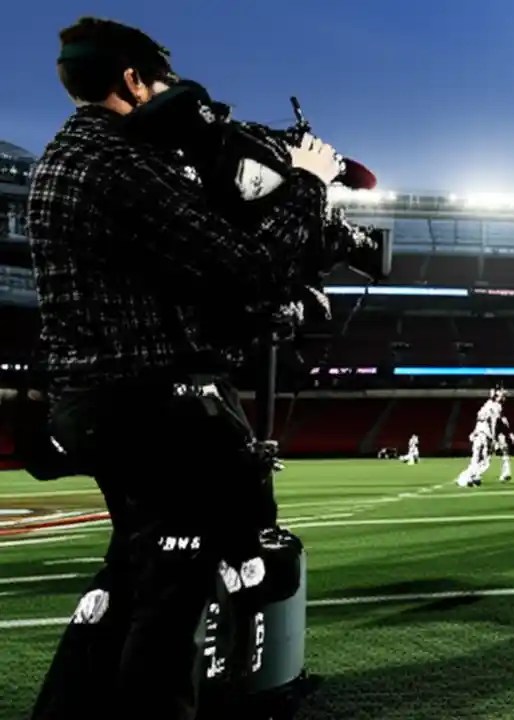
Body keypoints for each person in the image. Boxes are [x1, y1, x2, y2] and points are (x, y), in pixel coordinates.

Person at [25, 17, 341, 720]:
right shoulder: (120, 164)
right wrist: (309, 185)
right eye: (162, 82)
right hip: (149, 405)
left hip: (94, 403)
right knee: (171, 597)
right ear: (133, 81)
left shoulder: (66, 156)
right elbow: (247, 268)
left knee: (133, 579)